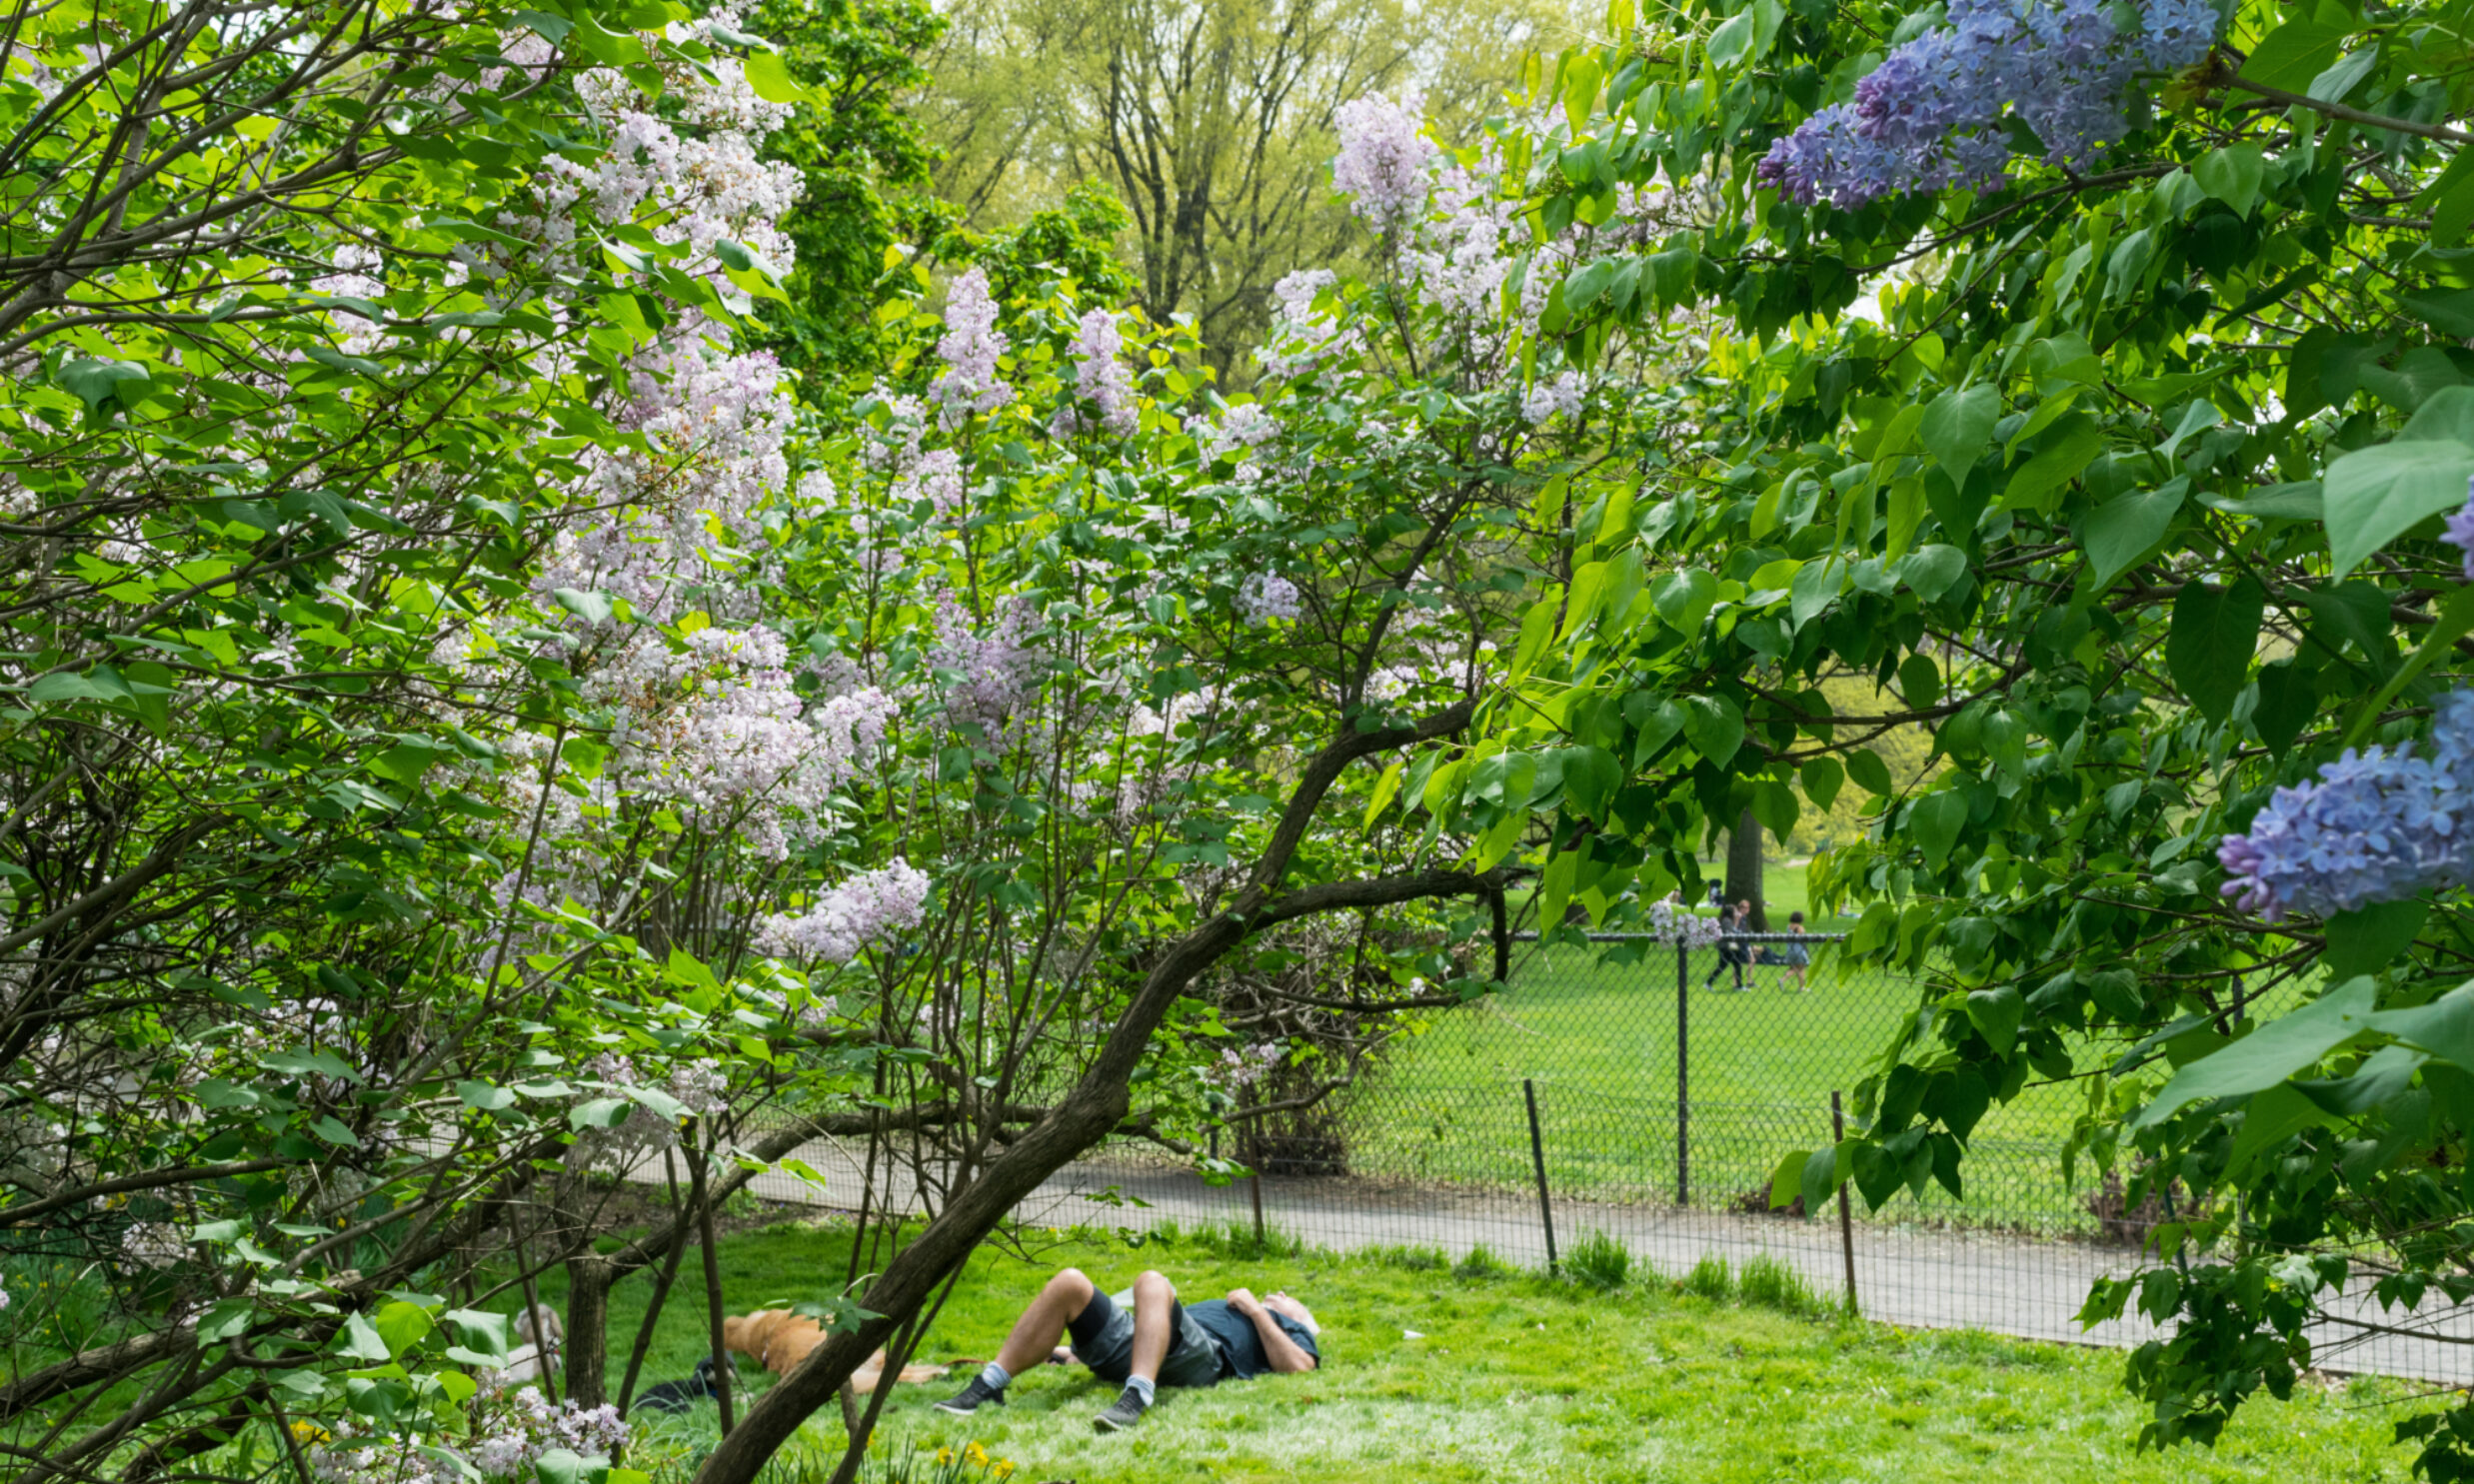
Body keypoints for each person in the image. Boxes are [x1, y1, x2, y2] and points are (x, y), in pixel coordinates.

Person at [934, 1267, 1320, 1432]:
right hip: (1145, 1346)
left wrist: (1258, 1309)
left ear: (1299, 1319)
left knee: (1152, 1281)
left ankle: (1136, 1396)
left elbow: (1300, 1368)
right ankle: (989, 1385)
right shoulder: (1228, 1309)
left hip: (1201, 1359)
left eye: (1290, 1299)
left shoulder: (1288, 1328)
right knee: (1071, 1282)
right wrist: (1073, 1353)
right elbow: (1155, 1327)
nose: (1280, 1294)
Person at [1702, 898, 1749, 989]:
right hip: (1726, 947)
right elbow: (1732, 933)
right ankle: (1709, 983)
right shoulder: (1726, 921)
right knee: (1725, 966)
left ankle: (1738, 985)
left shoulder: (1729, 920)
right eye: (1735, 911)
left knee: (1736, 964)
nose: (1736, 912)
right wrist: (1736, 920)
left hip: (1729, 947)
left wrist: (1736, 920)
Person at [1778, 909, 1810, 991]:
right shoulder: (1800, 927)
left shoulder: (1788, 926)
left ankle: (1801, 986)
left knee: (1795, 967)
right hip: (1798, 950)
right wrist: (1806, 950)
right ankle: (1783, 980)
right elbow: (1803, 939)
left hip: (1790, 950)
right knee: (1799, 968)